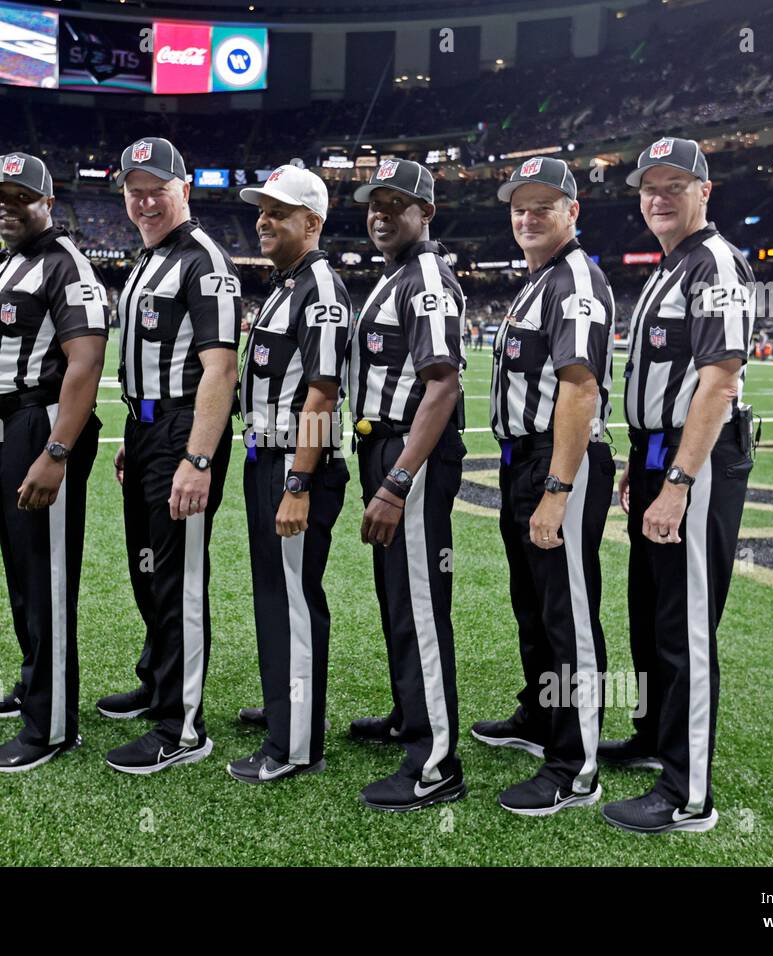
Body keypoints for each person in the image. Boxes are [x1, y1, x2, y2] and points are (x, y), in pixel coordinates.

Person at [603, 136, 756, 833]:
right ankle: (653, 739)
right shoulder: (673, 265)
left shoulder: (714, 263)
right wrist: (645, 460)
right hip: (661, 454)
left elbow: (719, 381)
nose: (658, 197)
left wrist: (682, 480)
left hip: (698, 462)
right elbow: (665, 382)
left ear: (705, 190)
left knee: (684, 626)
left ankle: (689, 793)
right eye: (648, 187)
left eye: (674, 185)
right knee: (649, 613)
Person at [471, 157, 616, 816]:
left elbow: (579, 387)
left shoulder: (574, 280)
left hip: (559, 462)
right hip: (523, 459)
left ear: (572, 212)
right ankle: (540, 717)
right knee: (533, 604)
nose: (528, 218)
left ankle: (576, 762)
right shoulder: (542, 280)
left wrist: (557, 488)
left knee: (567, 614)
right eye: (519, 208)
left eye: (544, 206)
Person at [96, 138, 241, 774]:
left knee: (178, 578)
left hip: (186, 431)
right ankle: (159, 681)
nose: (146, 200)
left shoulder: (202, 259)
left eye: (158, 188)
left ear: (186, 188)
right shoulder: (150, 257)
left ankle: (181, 727)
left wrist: (198, 458)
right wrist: (135, 433)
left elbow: (220, 366)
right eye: (135, 190)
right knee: (149, 569)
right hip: (149, 430)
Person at [0, 152, 109, 772]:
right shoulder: (7, 264)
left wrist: (57, 452)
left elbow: (85, 363)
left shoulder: (63, 264)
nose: (7, 205)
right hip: (7, 426)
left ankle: (51, 725)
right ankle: (35, 686)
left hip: (42, 425)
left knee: (47, 578)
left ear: (47, 203)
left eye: (21, 195)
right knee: (23, 573)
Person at [346, 159, 468, 812]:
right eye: (374, 203)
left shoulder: (424, 276)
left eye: (397, 203)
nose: (381, 213)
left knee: (419, 604)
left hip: (409, 454)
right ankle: (411, 718)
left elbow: (441, 382)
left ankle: (436, 764)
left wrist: (397, 480)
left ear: (427, 212)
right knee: (398, 597)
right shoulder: (397, 274)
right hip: (386, 445)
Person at [227, 165, 352, 784]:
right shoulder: (286, 285)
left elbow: (322, 397)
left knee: (295, 601)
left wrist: (298, 483)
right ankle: (286, 708)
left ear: (313, 222)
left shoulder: (320, 288)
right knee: (274, 597)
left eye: (279, 211)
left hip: (296, 463)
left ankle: (297, 743)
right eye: (261, 210)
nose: (264, 220)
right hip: (265, 458)